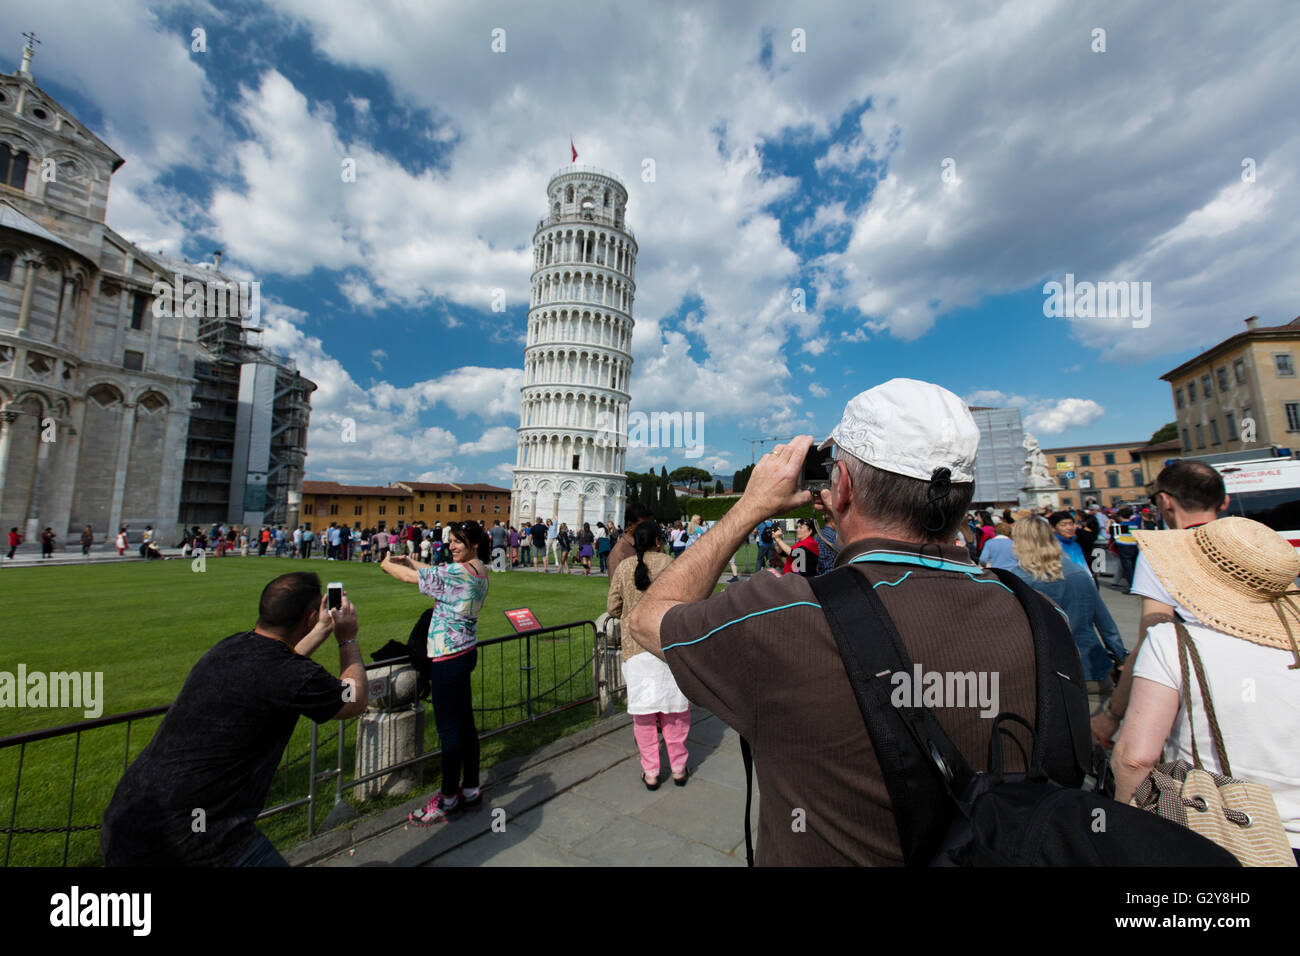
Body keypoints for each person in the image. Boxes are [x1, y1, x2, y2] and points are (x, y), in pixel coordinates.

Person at [624, 378, 1087, 865]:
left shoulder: (786, 617)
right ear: (962, 498)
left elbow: (648, 618)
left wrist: (751, 505)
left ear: (841, 485)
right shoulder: (1044, 619)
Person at [101, 573, 366, 865]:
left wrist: (320, 629)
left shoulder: (229, 647)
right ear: (308, 617)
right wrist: (347, 639)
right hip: (198, 837)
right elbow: (352, 699)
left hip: (130, 815)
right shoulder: (289, 673)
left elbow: (276, 668)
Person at [1110, 518, 1300, 861]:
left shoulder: (1173, 643)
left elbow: (1135, 757)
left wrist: (1126, 833)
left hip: (1224, 834)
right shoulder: (1292, 639)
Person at [1093, 460, 1229, 748]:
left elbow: (1151, 639)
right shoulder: (1253, 544)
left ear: (1166, 501)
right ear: (1225, 501)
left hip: (1200, 697)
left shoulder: (1163, 553)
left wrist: (1112, 715)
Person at [381, 523, 490, 825]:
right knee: (466, 725)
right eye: (452, 541)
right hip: (465, 650)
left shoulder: (456, 574)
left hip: (447, 656)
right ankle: (470, 789)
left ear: (475, 544)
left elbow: (409, 578)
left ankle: (448, 799)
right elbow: (428, 571)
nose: (453, 546)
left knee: (450, 731)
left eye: (460, 542)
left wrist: (386, 563)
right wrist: (409, 560)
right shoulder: (478, 569)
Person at [608, 521, 690, 788]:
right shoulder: (671, 564)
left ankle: (651, 771)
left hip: (636, 648)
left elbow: (612, 607)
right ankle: (678, 767)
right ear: (658, 541)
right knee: (674, 712)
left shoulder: (623, 568)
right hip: (667, 644)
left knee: (644, 716)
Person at [1006, 514, 1128, 691]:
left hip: (1046, 673)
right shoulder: (1078, 572)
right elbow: (1105, 623)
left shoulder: (1017, 580)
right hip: (1091, 667)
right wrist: (1120, 657)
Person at [608, 503, 653, 581]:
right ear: (630, 525)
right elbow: (616, 588)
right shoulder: (619, 553)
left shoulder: (649, 544)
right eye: (643, 525)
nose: (648, 529)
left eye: (650, 525)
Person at [1109, 506, 1140, 590]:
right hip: (1133, 547)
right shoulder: (1134, 525)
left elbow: (1110, 533)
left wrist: (1110, 522)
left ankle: (1132, 587)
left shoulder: (1119, 526)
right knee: (1133, 567)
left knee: (1127, 568)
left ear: (1120, 516)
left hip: (1123, 548)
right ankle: (1136, 585)